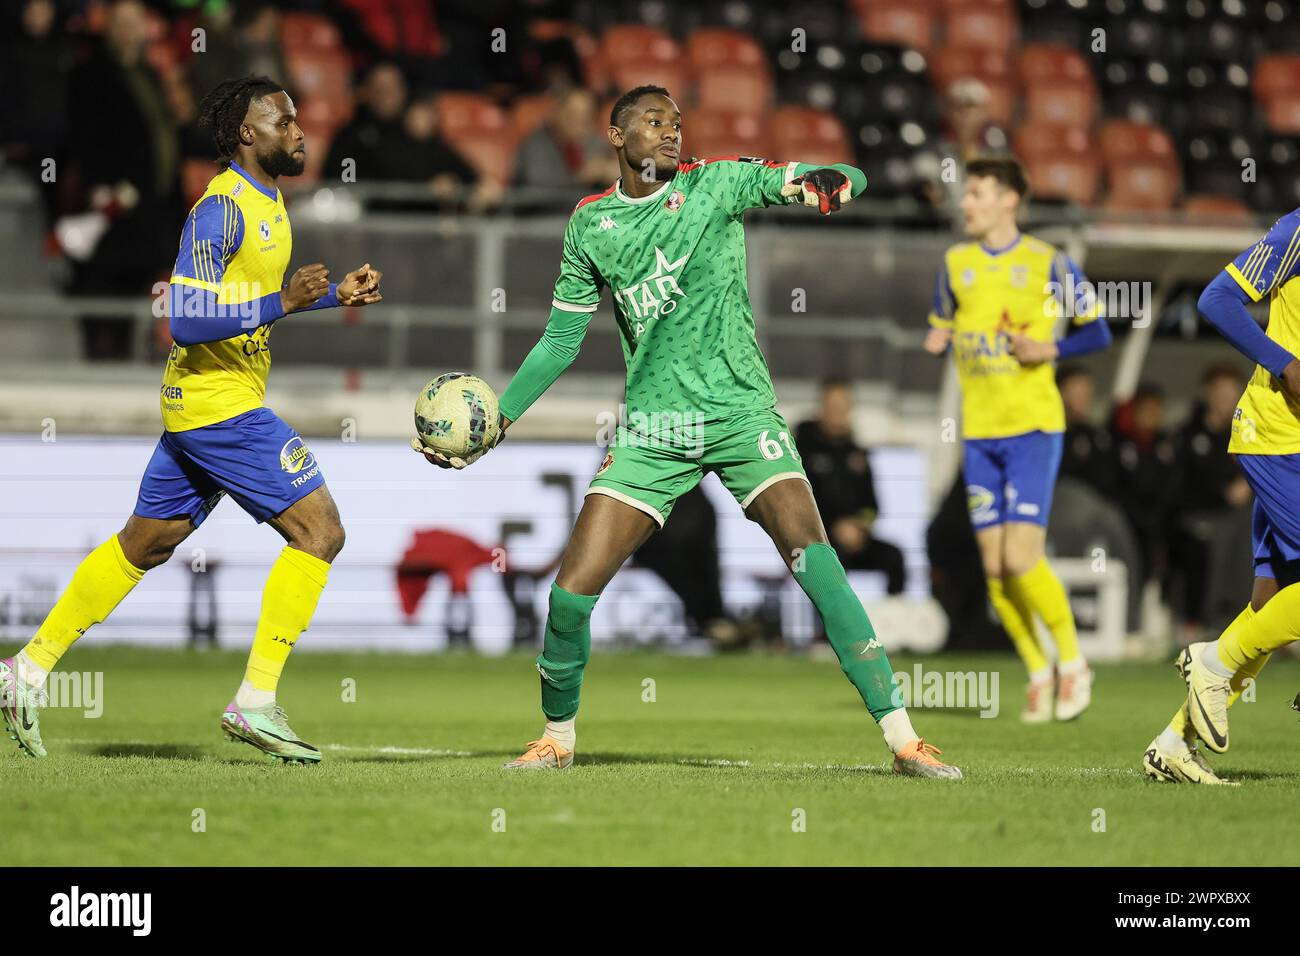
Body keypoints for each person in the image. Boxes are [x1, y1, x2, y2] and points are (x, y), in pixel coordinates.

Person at [415, 85, 962, 779]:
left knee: (816, 562)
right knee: (568, 594)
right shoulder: (591, 225)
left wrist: (831, 181)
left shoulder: (717, 184)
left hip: (741, 414)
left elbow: (825, 178)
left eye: (676, 122)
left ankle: (904, 740)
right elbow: (559, 342)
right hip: (655, 428)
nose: (670, 132)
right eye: (653, 122)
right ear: (616, 137)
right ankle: (557, 737)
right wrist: (499, 419)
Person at [0, 76, 385, 763]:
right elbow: (182, 319)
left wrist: (330, 297)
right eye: (284, 121)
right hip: (220, 408)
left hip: (202, 406)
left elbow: (248, 302)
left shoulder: (271, 206)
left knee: (143, 545)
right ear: (248, 135)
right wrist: (284, 306)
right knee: (321, 533)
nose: (299, 131)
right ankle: (257, 701)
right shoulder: (221, 210)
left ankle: (24, 671)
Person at [923, 156, 1111, 723]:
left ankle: (1074, 664)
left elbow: (1097, 328)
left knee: (1022, 558)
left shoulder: (1049, 262)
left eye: (977, 192)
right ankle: (1037, 670)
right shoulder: (955, 263)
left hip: (1032, 428)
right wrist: (939, 337)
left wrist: (1048, 349)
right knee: (996, 568)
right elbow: (943, 320)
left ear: (1010, 199)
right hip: (979, 434)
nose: (967, 202)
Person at [1143, 208, 1300, 784]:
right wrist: (1285, 364)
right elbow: (1216, 300)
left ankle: (1173, 746)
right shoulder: (1298, 231)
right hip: (1278, 434)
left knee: (1270, 599)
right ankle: (1211, 661)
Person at [795, 379, 906, 596]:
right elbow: (799, 503)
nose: (838, 414)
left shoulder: (858, 456)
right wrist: (833, 528)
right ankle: (829, 627)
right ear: (822, 408)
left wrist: (859, 528)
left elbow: (872, 507)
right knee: (827, 563)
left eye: (844, 407)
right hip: (815, 540)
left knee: (894, 556)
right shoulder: (802, 452)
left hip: (855, 539)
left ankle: (893, 619)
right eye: (833, 407)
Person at [1169, 363, 1252, 631]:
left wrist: (1247, 483)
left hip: (1242, 518)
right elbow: (1184, 483)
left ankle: (1261, 624)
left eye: (1232, 392)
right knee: (1213, 543)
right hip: (1199, 516)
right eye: (1220, 392)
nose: (1226, 398)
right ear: (1207, 393)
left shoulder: (1249, 432)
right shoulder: (1188, 433)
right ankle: (1204, 622)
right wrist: (1224, 489)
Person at [515, 87, 619, 191]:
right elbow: (541, 189)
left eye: (585, 116)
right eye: (572, 115)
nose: (579, 122)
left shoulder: (594, 142)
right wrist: (581, 178)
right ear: (557, 112)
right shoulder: (536, 146)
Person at [1057, 364, 1116, 498]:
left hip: (1094, 501)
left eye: (1088, 394)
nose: (1084, 400)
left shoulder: (1096, 436)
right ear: (1060, 393)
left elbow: (1107, 479)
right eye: (1078, 394)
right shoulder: (1047, 433)